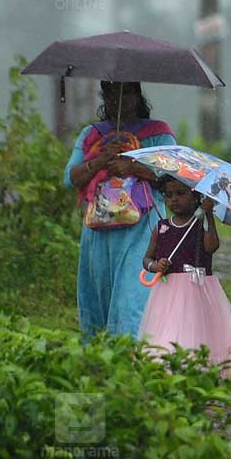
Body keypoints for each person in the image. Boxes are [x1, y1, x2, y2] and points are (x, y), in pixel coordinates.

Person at [63, 81, 176, 339]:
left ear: (137, 97)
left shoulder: (158, 134)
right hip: (99, 233)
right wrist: (101, 160)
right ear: (105, 98)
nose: (119, 101)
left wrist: (134, 167)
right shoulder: (92, 135)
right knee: (98, 298)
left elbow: (173, 178)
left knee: (131, 299)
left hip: (142, 232)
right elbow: (70, 178)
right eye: (112, 94)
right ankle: (99, 366)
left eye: (126, 94)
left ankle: (133, 361)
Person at [138, 176, 231, 383]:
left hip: (197, 289)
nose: (174, 200)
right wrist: (155, 265)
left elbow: (211, 247)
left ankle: (202, 372)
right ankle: (169, 370)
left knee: (198, 328)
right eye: (168, 195)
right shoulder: (161, 227)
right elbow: (147, 258)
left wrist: (207, 214)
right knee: (170, 329)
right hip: (168, 293)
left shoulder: (201, 224)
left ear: (196, 196)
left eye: (181, 193)